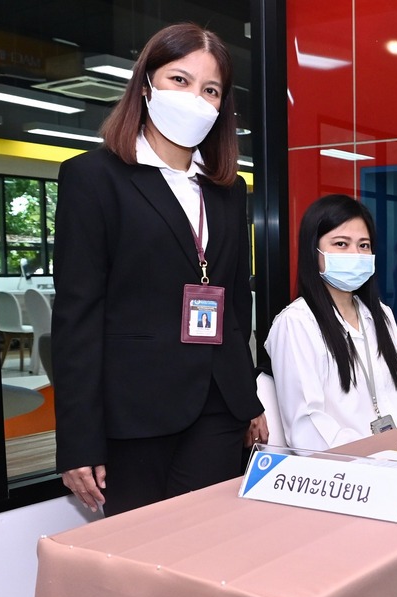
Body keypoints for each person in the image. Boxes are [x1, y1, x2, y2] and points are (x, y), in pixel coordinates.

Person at [52, 23, 266, 516]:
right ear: (146, 84)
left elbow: (236, 302)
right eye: (180, 79)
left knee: (207, 544)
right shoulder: (93, 177)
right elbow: (77, 316)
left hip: (217, 404)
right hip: (133, 410)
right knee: (141, 556)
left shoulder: (229, 191)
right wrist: (79, 438)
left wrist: (249, 397)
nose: (195, 98)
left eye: (210, 89)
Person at [265, 194, 397, 450]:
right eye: (341, 244)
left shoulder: (380, 314)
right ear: (315, 251)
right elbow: (308, 429)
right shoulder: (296, 323)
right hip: (345, 467)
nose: (356, 254)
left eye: (364, 245)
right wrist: (379, 453)